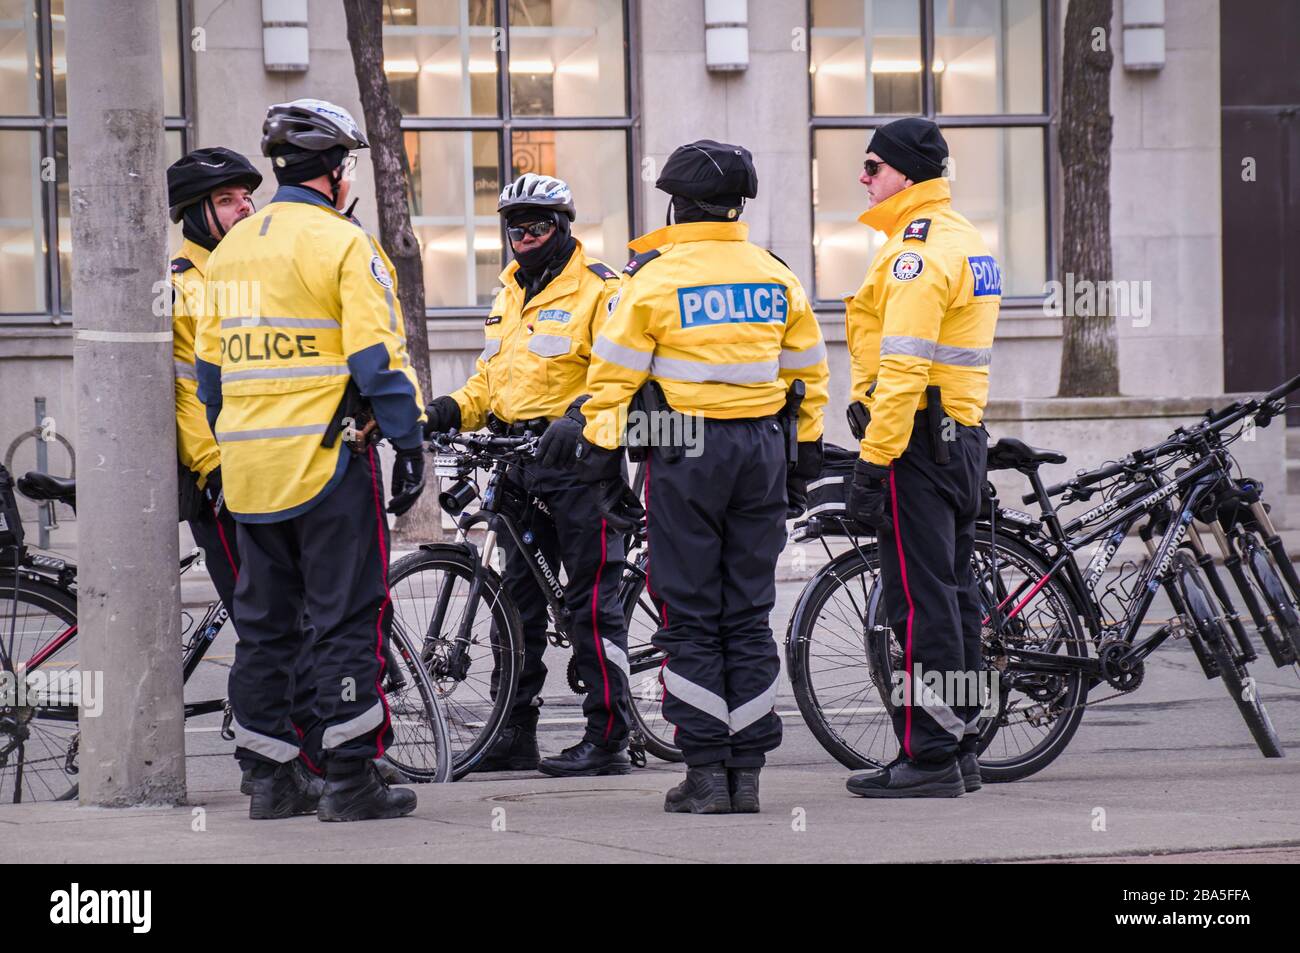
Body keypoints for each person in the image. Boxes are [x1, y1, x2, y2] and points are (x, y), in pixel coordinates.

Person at [575, 139, 829, 813]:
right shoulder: (776, 275)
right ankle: (745, 774)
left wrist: (604, 461)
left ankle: (706, 773)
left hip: (685, 448)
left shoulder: (653, 280)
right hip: (763, 449)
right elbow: (808, 377)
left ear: (677, 204)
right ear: (738, 205)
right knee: (746, 611)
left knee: (689, 613)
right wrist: (801, 462)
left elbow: (611, 384)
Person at [194, 99, 427, 821]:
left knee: (264, 627)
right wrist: (409, 439)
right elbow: (378, 358)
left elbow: (210, 377)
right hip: (329, 466)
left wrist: (238, 441)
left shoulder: (230, 251)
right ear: (331, 172)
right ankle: (351, 778)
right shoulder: (341, 244)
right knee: (346, 618)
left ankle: (271, 780)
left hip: (249, 475)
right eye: (348, 163)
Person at [423, 173, 633, 777]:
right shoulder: (510, 292)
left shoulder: (602, 290)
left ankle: (608, 739)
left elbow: (621, 376)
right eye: (515, 227)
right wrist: (443, 410)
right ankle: (513, 731)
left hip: (579, 465)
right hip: (518, 462)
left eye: (538, 226)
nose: (525, 237)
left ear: (564, 228)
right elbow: (492, 381)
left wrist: (578, 417)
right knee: (514, 604)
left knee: (593, 603)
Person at [842, 117, 999, 798]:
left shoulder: (916, 250)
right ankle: (958, 741)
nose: (863, 177)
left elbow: (905, 366)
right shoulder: (964, 237)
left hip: (915, 443)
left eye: (873, 166)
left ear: (906, 173)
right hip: (959, 437)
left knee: (917, 601)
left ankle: (930, 753)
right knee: (955, 595)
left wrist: (874, 459)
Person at [166, 147, 326, 798]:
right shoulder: (189, 282)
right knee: (271, 628)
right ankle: (276, 771)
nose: (245, 208)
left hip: (265, 467)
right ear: (197, 213)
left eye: (246, 197)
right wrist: (216, 470)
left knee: (281, 621)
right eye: (229, 200)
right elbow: (188, 394)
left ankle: (297, 763)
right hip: (224, 477)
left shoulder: (240, 267)